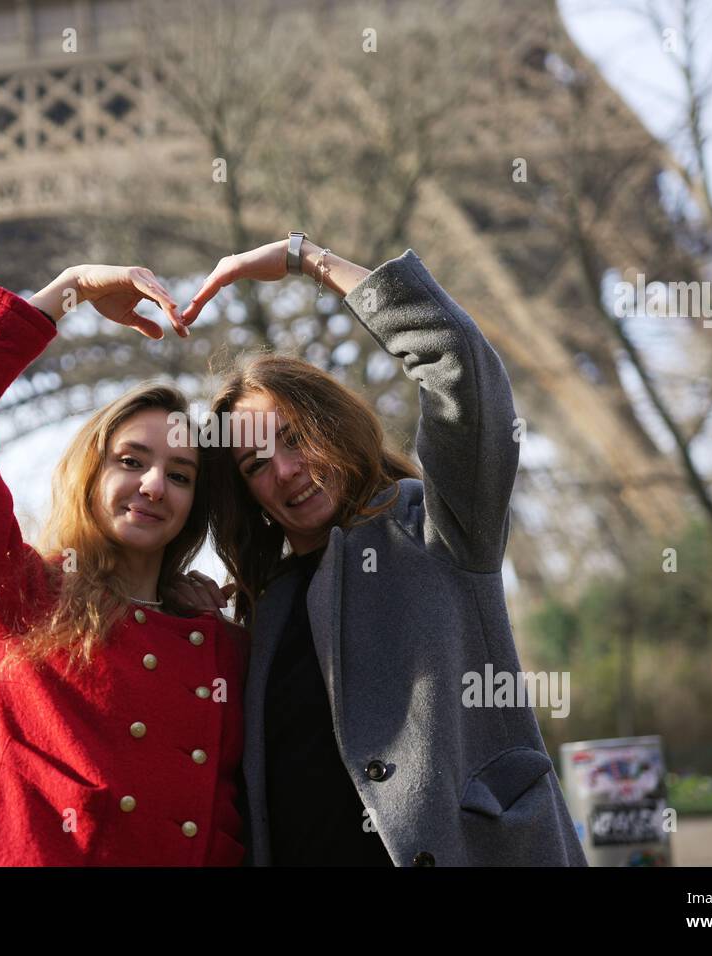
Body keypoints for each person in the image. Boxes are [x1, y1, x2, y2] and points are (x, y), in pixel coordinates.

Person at [179, 235, 588, 866]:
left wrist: (306, 260)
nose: (285, 471)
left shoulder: (438, 527)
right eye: (256, 463)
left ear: (332, 424)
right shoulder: (268, 609)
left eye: (294, 438)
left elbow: (461, 370)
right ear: (248, 495)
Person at [0, 263, 248, 866]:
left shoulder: (223, 645)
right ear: (92, 474)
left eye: (179, 475)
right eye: (131, 460)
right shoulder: (23, 596)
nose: (152, 486)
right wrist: (72, 288)